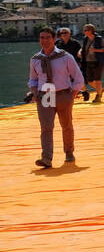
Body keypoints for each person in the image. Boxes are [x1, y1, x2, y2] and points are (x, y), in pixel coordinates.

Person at [26, 26, 83, 168]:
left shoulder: (65, 57)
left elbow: (78, 78)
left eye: (48, 38)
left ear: (54, 39)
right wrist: (34, 92)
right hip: (45, 94)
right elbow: (33, 80)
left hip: (63, 93)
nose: (45, 41)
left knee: (66, 125)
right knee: (46, 127)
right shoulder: (35, 59)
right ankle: (46, 158)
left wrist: (72, 95)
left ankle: (69, 152)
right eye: (42, 38)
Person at [80, 24, 104, 103]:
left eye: (86, 30)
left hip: (98, 61)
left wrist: (95, 50)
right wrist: (80, 52)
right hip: (88, 61)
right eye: (84, 30)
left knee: (97, 80)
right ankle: (100, 90)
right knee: (90, 81)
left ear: (91, 30)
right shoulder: (85, 39)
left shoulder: (98, 39)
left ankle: (98, 96)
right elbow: (83, 48)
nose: (84, 32)